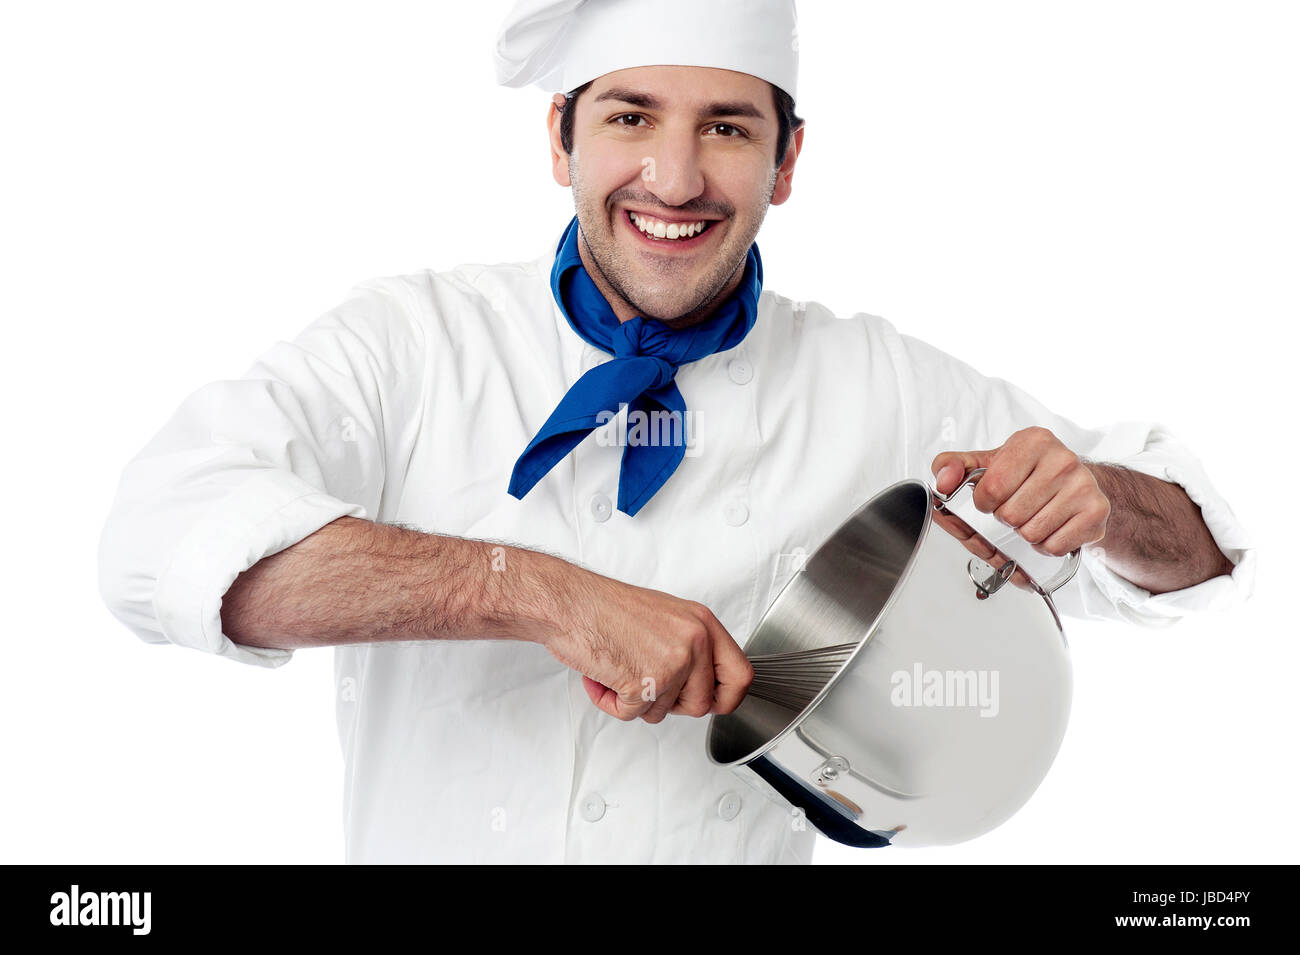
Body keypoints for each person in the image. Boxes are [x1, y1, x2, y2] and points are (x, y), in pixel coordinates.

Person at [97, 0, 1255, 864]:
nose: (675, 176)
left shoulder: (874, 381)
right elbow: (158, 546)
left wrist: (1104, 495)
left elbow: (1191, 562)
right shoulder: (413, 343)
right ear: (560, 139)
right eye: (629, 117)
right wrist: (538, 592)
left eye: (728, 129)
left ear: (786, 161)